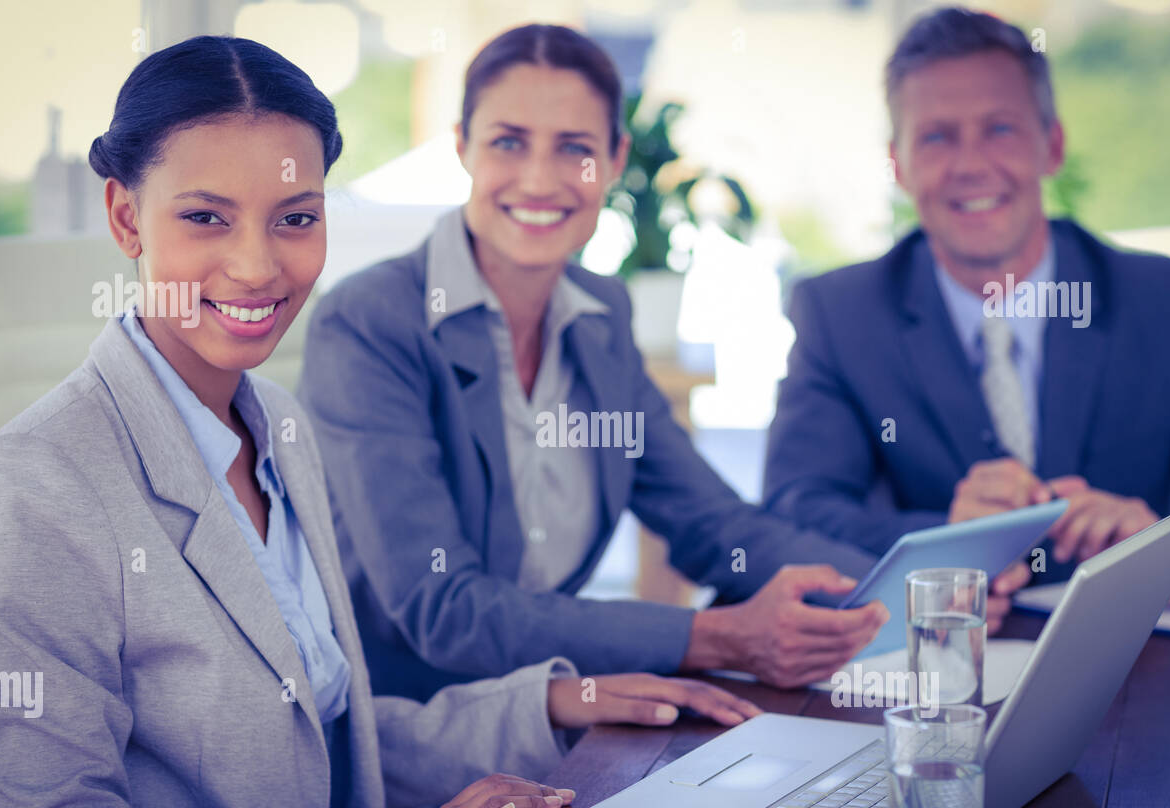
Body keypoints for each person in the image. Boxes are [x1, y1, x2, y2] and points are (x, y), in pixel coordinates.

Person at [0, 35, 763, 808]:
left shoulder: (279, 431)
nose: (258, 265)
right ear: (126, 217)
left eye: (296, 218)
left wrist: (550, 705)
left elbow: (321, 744)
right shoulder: (33, 490)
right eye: (205, 218)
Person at [297, 23, 888, 701]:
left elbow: (711, 523)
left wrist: (887, 590)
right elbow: (443, 609)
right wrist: (714, 638)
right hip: (408, 738)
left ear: (613, 159)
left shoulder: (600, 316)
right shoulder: (372, 322)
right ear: (462, 146)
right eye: (508, 142)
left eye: (574, 149)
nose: (540, 179)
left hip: (571, 710)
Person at [763, 6, 1170, 602]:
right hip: (941, 666)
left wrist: (1168, 550)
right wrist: (946, 543)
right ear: (898, 166)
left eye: (1000, 129)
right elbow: (795, 512)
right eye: (936, 137)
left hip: (1146, 660)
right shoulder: (839, 314)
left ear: (1053, 146)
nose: (970, 165)